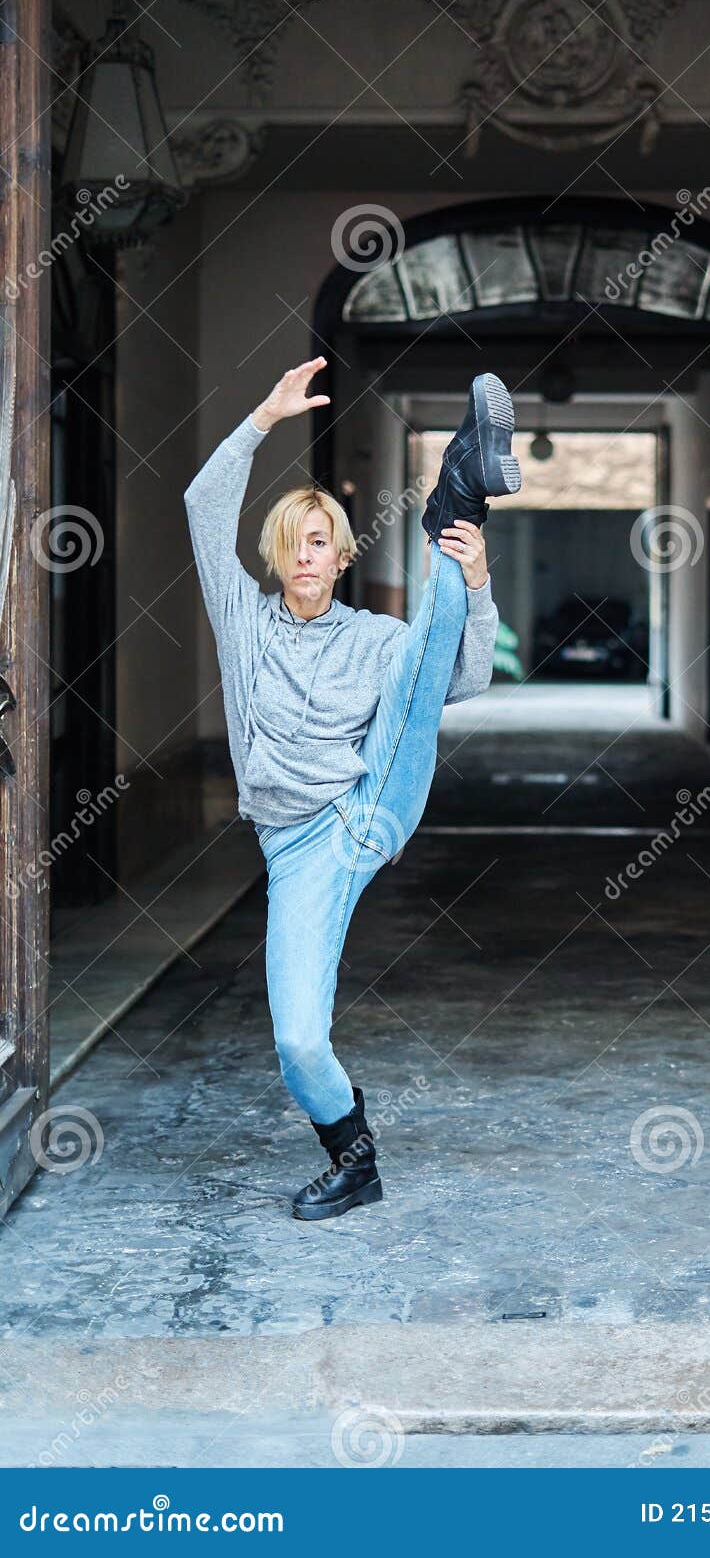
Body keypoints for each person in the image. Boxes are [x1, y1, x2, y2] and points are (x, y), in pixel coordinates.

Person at [183, 358, 521, 1221]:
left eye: (322, 540)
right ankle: (354, 1160)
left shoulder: (370, 638)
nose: (306, 552)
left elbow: (462, 680)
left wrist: (476, 587)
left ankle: (457, 506)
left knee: (417, 662)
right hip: (293, 847)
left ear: (339, 559)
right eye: (294, 539)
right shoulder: (242, 622)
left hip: (367, 807)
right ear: (276, 555)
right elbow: (200, 506)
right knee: (298, 1041)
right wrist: (262, 416)